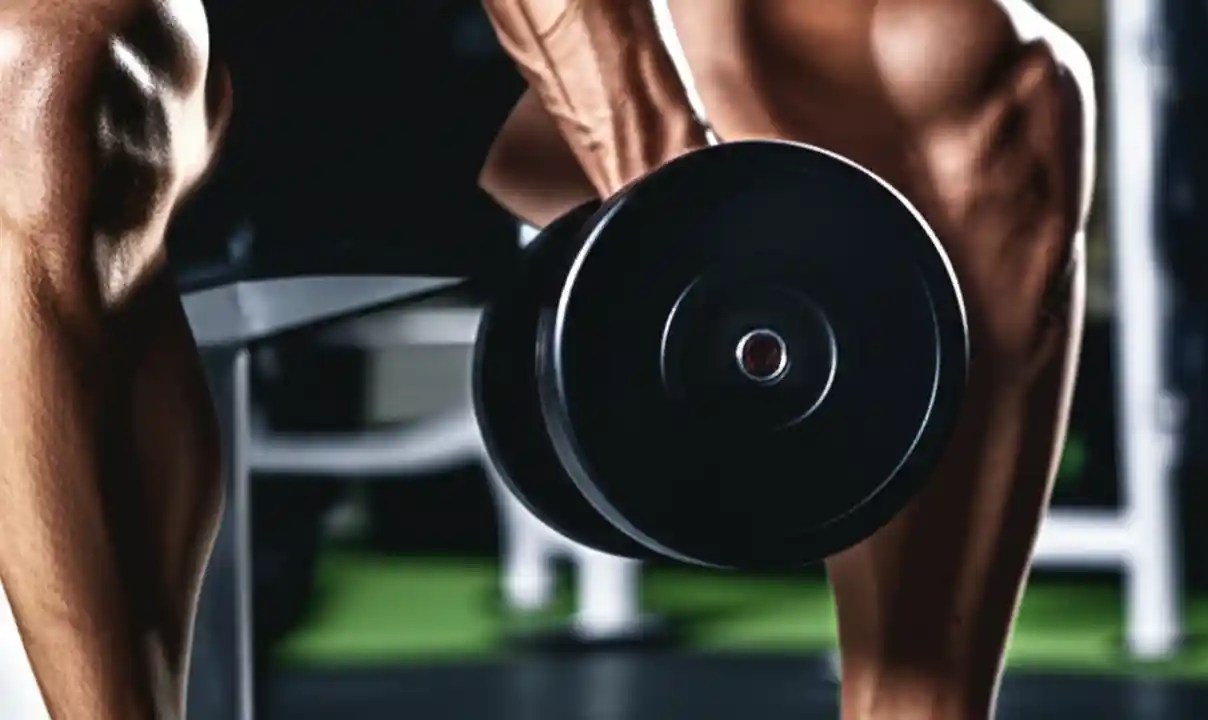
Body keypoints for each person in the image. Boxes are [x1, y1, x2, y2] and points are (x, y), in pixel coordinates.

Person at [0, 1, 1092, 719]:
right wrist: (676, 194)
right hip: (157, 43)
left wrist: (691, 211)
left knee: (977, 75)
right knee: (33, 73)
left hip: (424, 39)